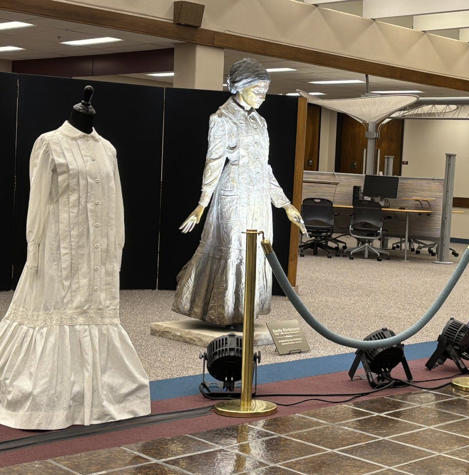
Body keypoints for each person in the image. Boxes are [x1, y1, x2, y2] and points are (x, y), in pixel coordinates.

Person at [0, 86, 151, 430]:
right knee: (57, 313)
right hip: (58, 252)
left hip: (96, 254)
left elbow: (116, 205)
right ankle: (52, 397)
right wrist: (34, 249)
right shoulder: (49, 144)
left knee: (94, 313)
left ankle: (95, 394)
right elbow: (36, 203)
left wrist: (116, 246)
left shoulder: (107, 150)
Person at [173, 58, 307, 327]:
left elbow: (264, 168)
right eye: (258, 91)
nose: (263, 97)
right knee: (232, 249)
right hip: (233, 194)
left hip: (258, 196)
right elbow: (213, 162)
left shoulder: (260, 122)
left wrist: (285, 204)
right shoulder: (222, 119)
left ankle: (244, 311)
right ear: (239, 87)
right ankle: (222, 310)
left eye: (265, 92)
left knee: (257, 250)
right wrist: (202, 204)